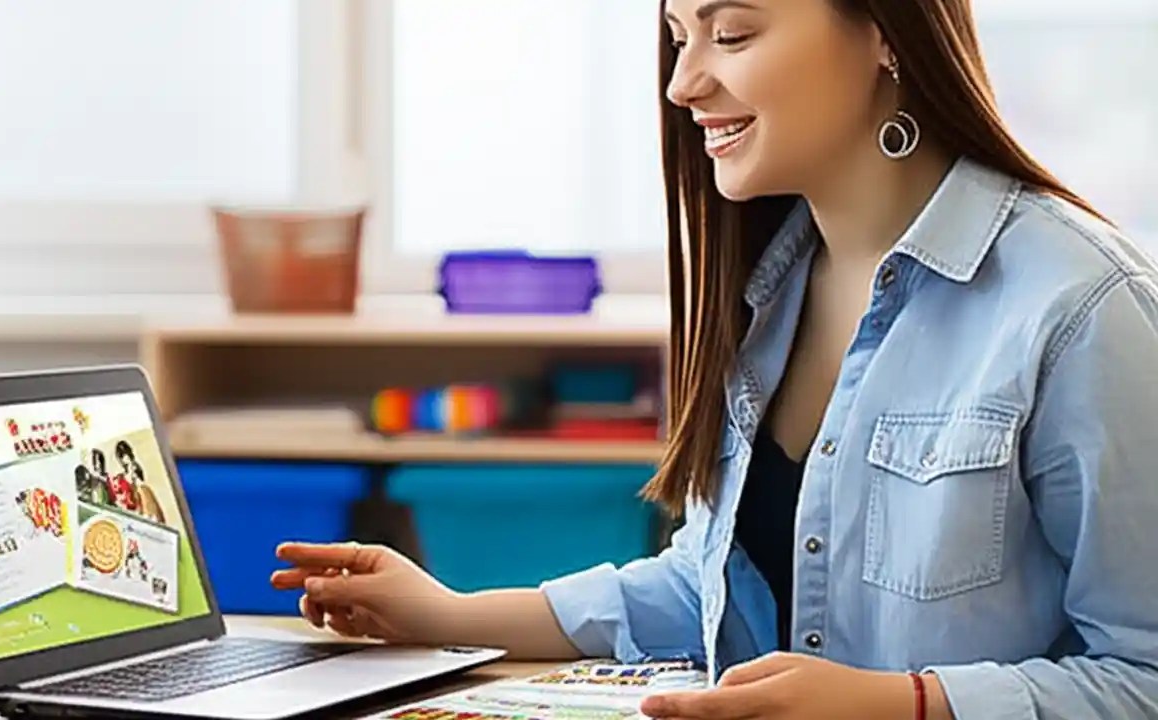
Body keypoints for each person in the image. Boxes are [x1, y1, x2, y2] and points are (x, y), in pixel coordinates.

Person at [271, 1, 1158, 718]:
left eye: (731, 34)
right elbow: (712, 582)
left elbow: (1143, 676)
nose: (684, 82)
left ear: (886, 32)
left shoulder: (1080, 306)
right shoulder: (767, 295)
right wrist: (457, 616)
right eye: (676, 36)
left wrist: (905, 706)